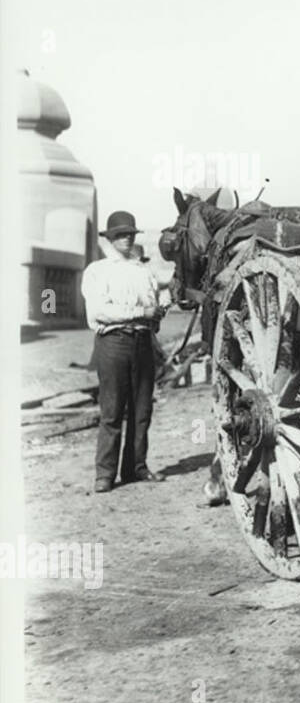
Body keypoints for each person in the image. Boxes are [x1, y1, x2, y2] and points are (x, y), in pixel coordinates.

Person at [80, 210, 166, 493]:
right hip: (113, 344)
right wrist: (142, 311)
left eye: (130, 234)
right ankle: (105, 474)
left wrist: (156, 314)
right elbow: (100, 311)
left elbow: (153, 307)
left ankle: (136, 467)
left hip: (142, 343)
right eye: (121, 234)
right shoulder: (98, 271)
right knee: (112, 410)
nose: (127, 239)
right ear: (110, 238)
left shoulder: (144, 271)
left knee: (142, 410)